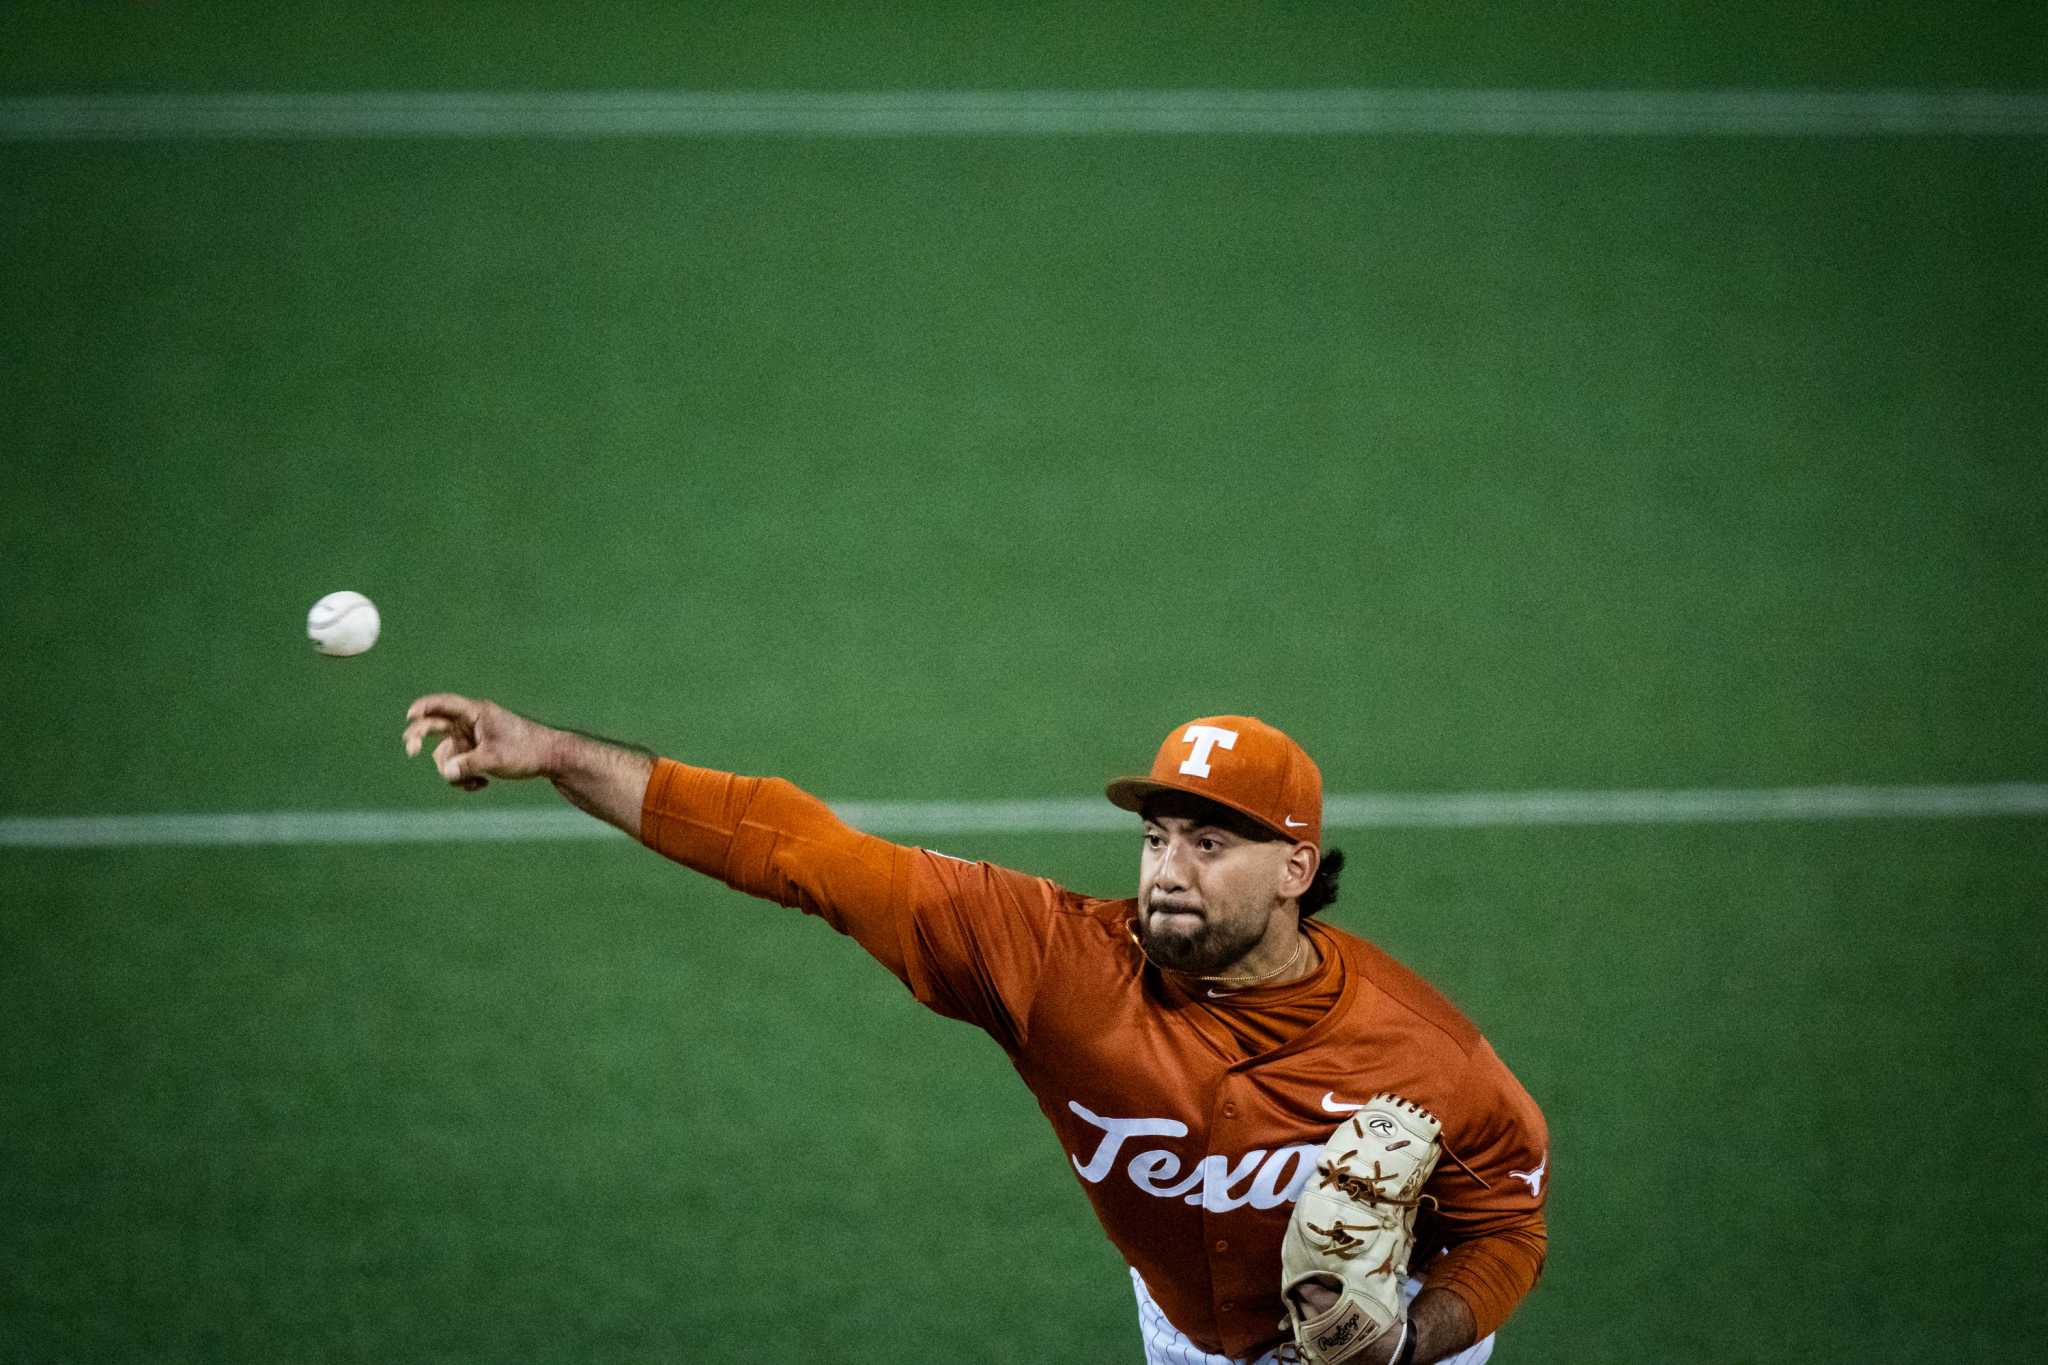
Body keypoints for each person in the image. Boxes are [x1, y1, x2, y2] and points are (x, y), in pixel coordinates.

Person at [402, 696, 1548, 1364]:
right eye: (1157, 837)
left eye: (1211, 843)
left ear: (1295, 867)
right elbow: (794, 844)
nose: (1168, 869)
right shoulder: (1046, 961)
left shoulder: (1420, 1046)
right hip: (1186, 1331)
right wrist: (554, 751)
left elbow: (1504, 1224)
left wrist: (1404, 1340)